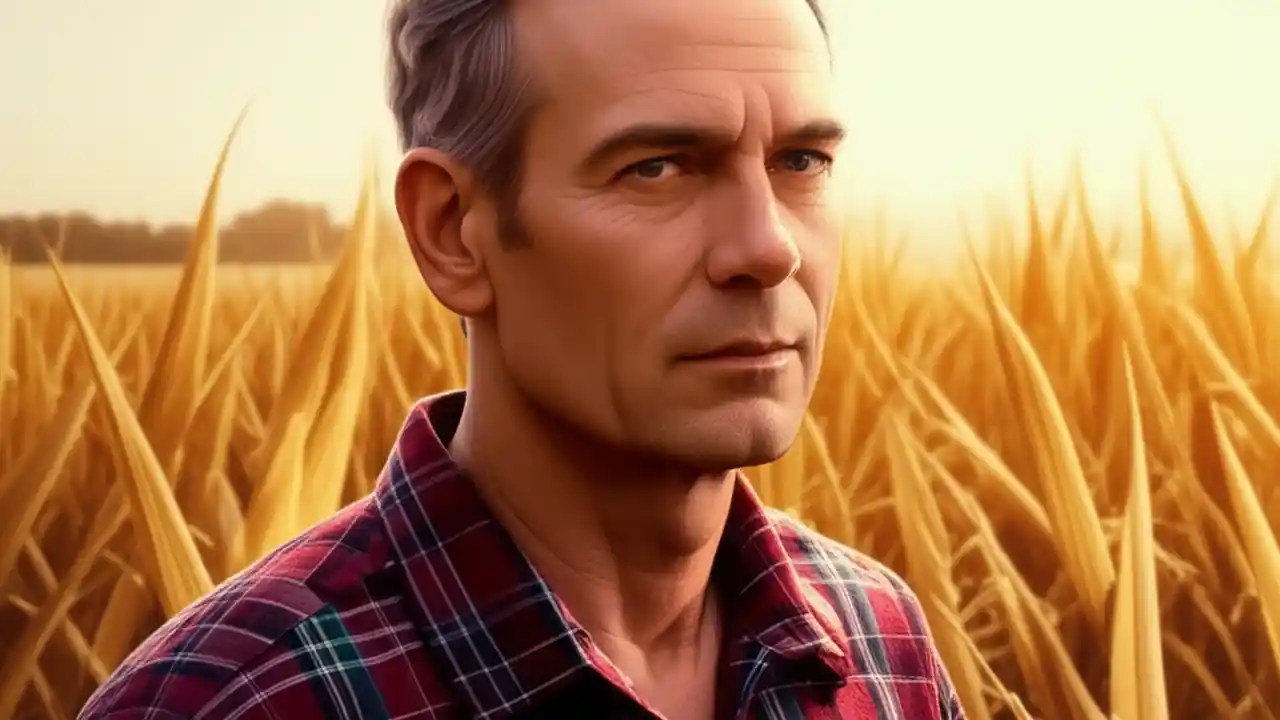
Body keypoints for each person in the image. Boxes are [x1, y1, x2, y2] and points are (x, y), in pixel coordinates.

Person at [80, 0, 964, 717]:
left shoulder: (883, 646)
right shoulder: (230, 703)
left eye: (801, 160)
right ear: (452, 233)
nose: (768, 249)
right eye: (657, 168)